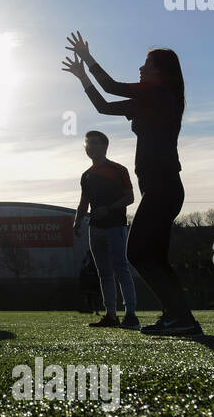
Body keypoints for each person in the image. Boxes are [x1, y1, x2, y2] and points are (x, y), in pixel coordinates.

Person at [62, 31, 201, 336]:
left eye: (146, 64)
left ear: (160, 72)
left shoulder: (159, 93)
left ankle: (181, 317)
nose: (140, 68)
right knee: (155, 257)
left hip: (163, 187)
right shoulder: (150, 101)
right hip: (160, 188)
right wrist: (83, 78)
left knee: (137, 253)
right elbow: (103, 105)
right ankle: (179, 317)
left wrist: (88, 58)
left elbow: (111, 86)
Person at [73, 130, 139, 329]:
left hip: (116, 226)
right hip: (95, 229)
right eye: (88, 143)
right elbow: (84, 202)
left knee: (121, 269)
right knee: (103, 273)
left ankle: (131, 315)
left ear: (104, 146)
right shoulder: (86, 175)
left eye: (94, 143)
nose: (90, 147)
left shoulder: (118, 170)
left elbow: (130, 197)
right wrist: (77, 222)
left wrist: (109, 209)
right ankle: (110, 315)